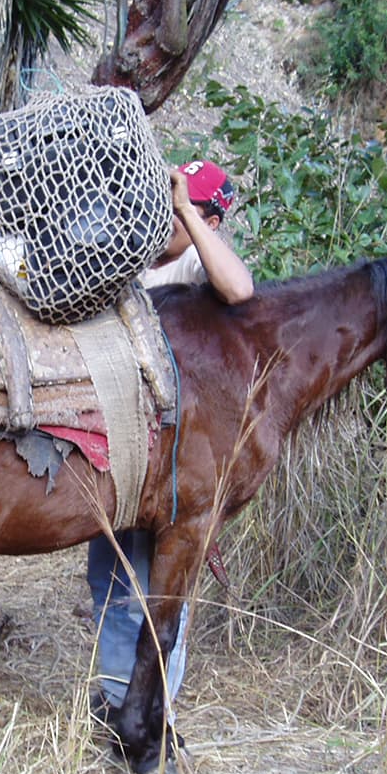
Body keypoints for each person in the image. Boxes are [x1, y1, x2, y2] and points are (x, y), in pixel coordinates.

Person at [88, 159, 254, 733]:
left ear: (206, 215)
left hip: (172, 461)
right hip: (121, 450)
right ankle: (116, 699)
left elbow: (240, 288)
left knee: (161, 592)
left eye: (177, 207)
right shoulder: (135, 257)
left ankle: (157, 708)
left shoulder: (194, 263)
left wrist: (188, 214)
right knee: (110, 580)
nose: (162, 215)